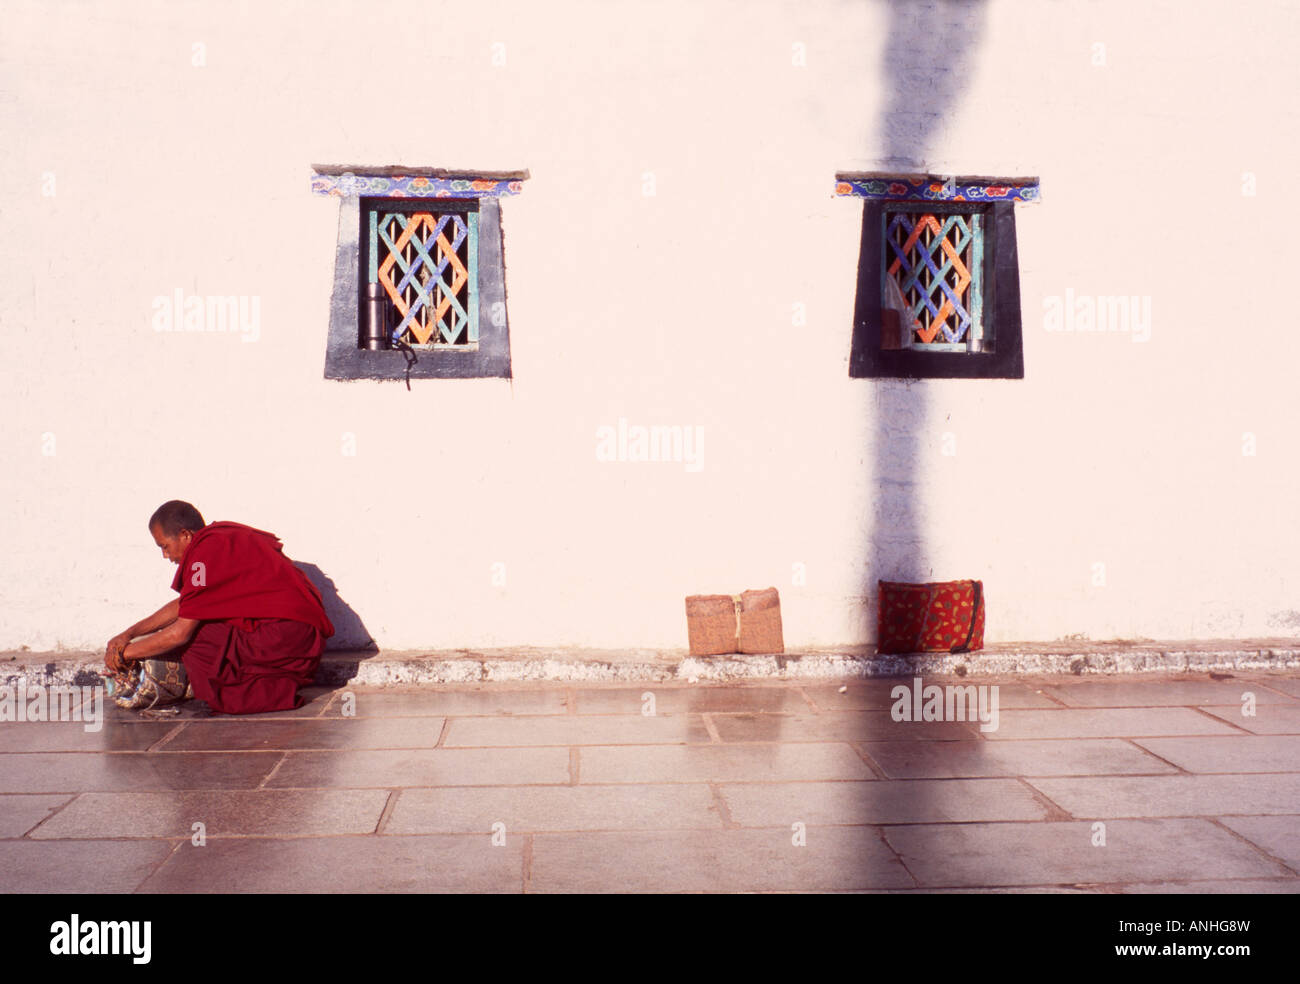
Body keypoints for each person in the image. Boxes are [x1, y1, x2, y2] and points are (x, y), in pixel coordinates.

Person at [105, 500, 335, 714]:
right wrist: (129, 634)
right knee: (199, 620)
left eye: (165, 546)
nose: (165, 555)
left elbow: (180, 633)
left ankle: (253, 691)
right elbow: (186, 603)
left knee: (199, 635)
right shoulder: (216, 542)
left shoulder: (203, 553)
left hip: (286, 635)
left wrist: (124, 654)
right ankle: (212, 682)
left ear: (185, 535)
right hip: (299, 634)